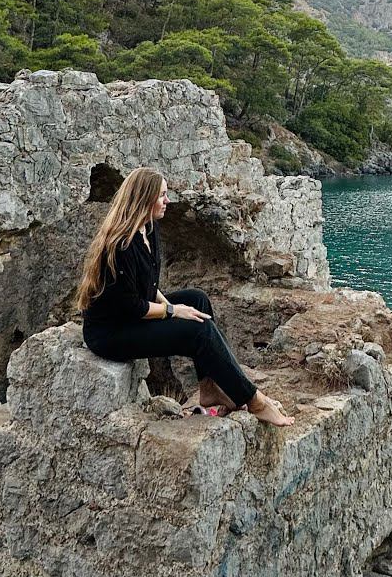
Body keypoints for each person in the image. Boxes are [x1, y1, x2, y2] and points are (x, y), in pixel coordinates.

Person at [76, 167, 294, 427]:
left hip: (131, 316)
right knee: (198, 331)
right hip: (110, 334)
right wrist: (173, 312)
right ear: (144, 198)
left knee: (196, 300)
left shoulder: (148, 229)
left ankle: (209, 386)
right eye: (162, 195)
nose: (167, 200)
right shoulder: (122, 245)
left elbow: (147, 286)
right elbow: (131, 306)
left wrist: (172, 305)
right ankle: (255, 401)